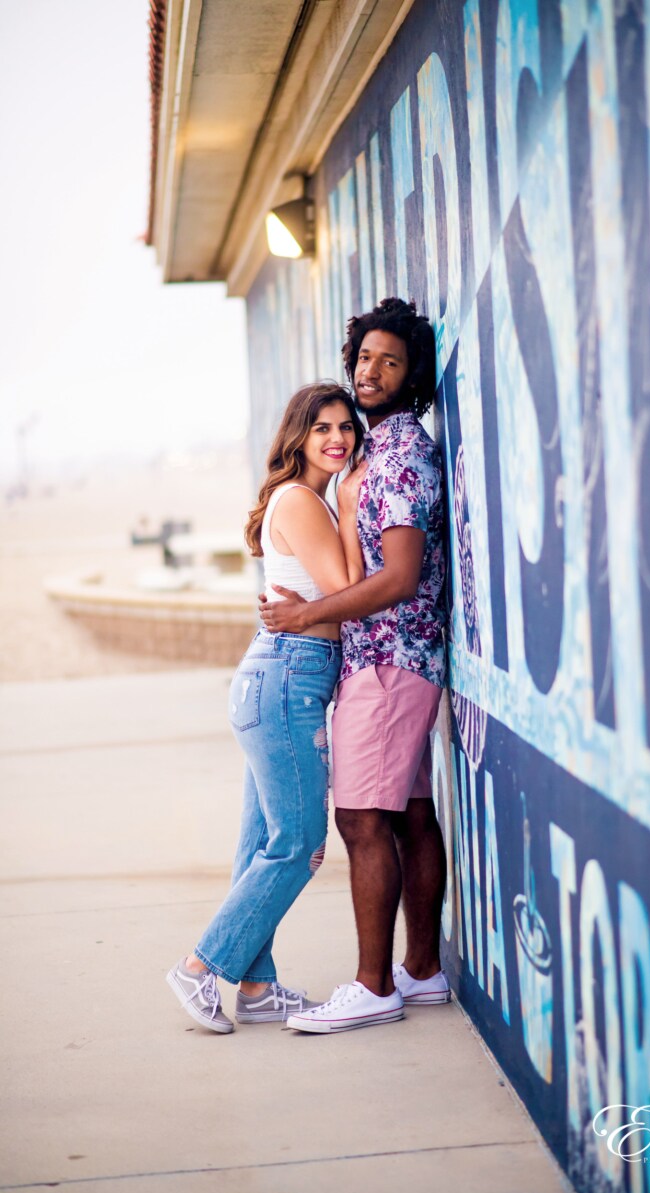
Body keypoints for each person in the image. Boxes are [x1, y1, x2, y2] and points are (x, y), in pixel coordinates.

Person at [259, 297, 450, 1034]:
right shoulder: (380, 452)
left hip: (389, 658)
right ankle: (422, 972)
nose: (371, 372)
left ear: (412, 376)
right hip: (393, 658)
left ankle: (374, 986)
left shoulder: (398, 459)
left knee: (361, 819)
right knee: (409, 814)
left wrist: (307, 615)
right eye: (365, 357)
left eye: (389, 362)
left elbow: (398, 577)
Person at [166, 382, 366, 1033]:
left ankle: (255, 986)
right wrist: (353, 506)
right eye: (322, 428)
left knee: (262, 844)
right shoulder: (304, 500)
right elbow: (348, 588)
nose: (337, 439)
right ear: (298, 437)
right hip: (287, 681)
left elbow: (329, 594)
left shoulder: (304, 498)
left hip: (278, 679)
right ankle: (199, 967)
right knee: (300, 843)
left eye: (346, 427)